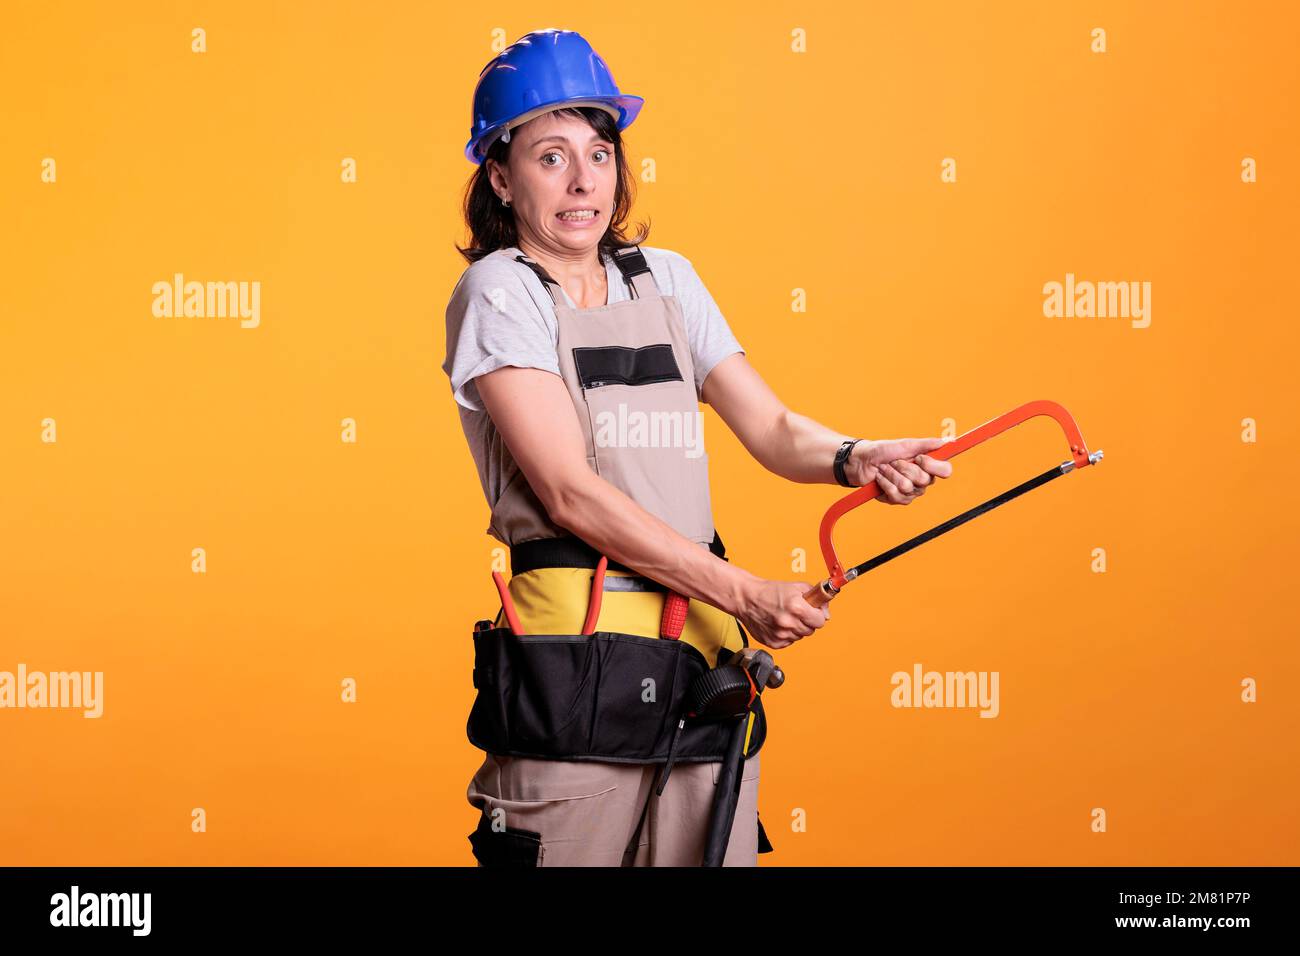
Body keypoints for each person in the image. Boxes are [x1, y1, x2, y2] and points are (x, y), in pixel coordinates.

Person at [443, 28, 954, 867]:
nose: (583, 181)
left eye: (600, 153)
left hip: (699, 660)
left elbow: (774, 429)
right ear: (500, 176)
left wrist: (856, 456)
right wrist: (744, 589)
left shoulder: (667, 278)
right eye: (551, 156)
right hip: (576, 670)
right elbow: (568, 494)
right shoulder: (498, 291)